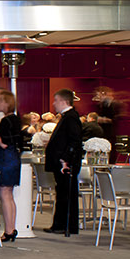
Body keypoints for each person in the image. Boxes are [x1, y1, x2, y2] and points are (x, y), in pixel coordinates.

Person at [44, 89, 84, 235]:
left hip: (65, 164)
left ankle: (64, 224)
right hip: (63, 163)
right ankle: (62, 224)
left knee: (65, 194)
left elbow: (74, 140)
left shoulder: (70, 118)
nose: (54, 104)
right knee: (62, 193)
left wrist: (65, 159)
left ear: (64, 101)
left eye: (56, 100)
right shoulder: (68, 117)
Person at [0, 91, 23, 243]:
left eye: (0, 101)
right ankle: (11, 228)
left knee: (4, 194)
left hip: (5, 158)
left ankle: (9, 230)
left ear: (6, 103)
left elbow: (2, 143)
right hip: (13, 158)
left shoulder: (6, 121)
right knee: (8, 195)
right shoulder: (16, 119)